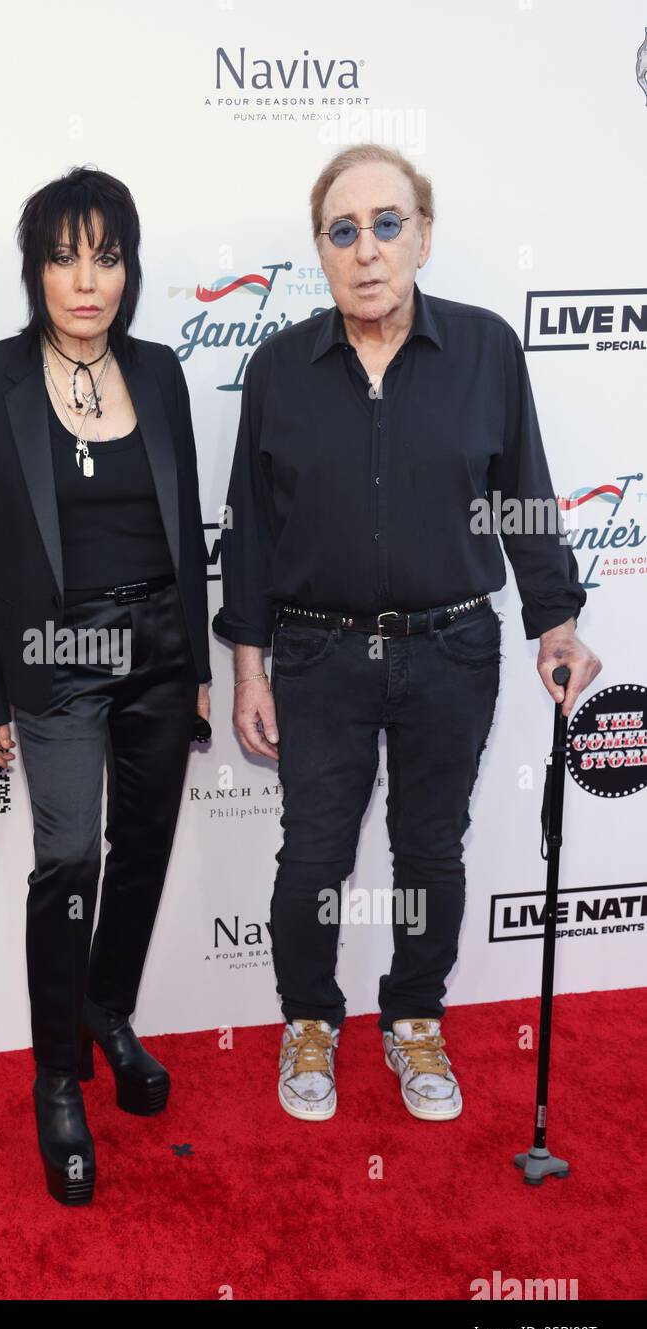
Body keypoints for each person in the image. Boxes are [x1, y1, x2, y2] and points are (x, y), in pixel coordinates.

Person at [212, 143, 601, 1124]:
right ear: (322, 250)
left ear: (424, 235)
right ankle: (309, 1017)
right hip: (318, 653)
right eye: (344, 231)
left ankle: (414, 1014)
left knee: (432, 852)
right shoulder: (279, 367)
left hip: (453, 650)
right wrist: (248, 665)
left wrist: (555, 620)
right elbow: (249, 532)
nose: (368, 249)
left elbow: (522, 499)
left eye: (388, 224)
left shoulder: (485, 351)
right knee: (312, 857)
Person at [0, 167, 212, 1203]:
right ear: (34, 268)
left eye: (106, 255)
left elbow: (186, 527)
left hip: (157, 643)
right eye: (64, 255)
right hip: (55, 651)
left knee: (145, 847)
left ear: (130, 268)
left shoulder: (163, 371)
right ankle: (58, 1076)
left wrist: (186, 658)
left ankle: (108, 1009)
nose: (86, 279)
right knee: (68, 862)